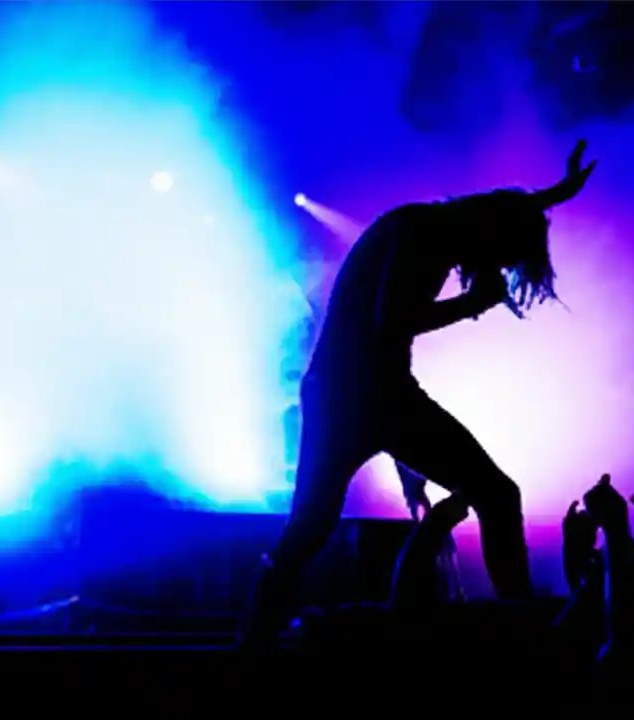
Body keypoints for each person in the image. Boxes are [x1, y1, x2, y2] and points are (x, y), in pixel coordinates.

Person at [240, 141, 597, 649]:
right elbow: (393, 322)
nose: (493, 267)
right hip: (364, 398)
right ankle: (523, 633)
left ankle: (251, 639)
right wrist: (469, 303)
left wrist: (558, 193)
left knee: (309, 528)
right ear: (491, 236)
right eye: (500, 255)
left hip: (362, 395)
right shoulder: (426, 237)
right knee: (494, 496)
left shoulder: (435, 227)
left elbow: (501, 210)